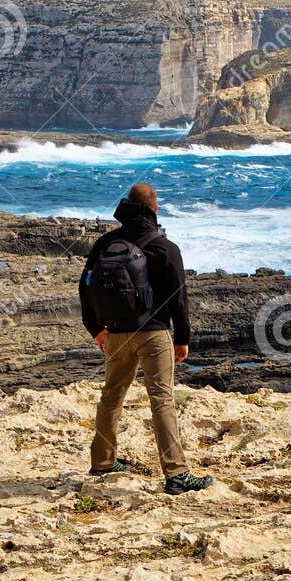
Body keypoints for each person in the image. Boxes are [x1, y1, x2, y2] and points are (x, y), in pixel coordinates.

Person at [78, 183, 211, 495]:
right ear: (155, 209)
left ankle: (103, 462)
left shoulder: (105, 243)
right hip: (153, 333)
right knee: (161, 398)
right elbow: (180, 298)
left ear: (126, 206)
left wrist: (94, 328)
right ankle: (176, 474)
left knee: (111, 395)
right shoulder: (165, 247)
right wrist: (183, 338)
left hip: (114, 333)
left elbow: (85, 287)